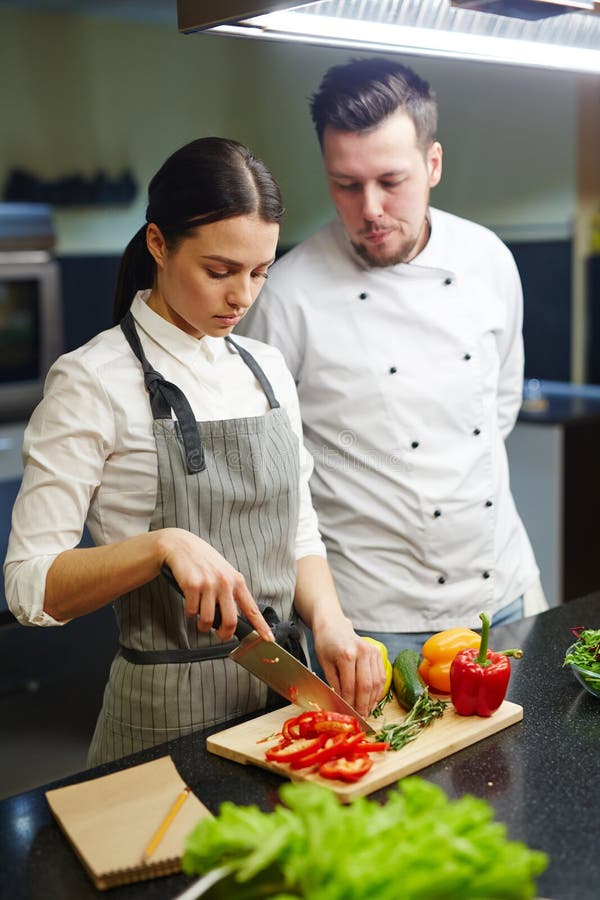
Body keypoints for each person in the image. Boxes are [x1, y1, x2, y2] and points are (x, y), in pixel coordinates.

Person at [3, 137, 384, 766]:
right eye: (219, 271)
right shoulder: (91, 380)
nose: (243, 297)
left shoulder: (265, 369)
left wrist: (332, 624)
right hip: (161, 724)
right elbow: (28, 586)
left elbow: (297, 531)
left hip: (285, 705)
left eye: (260, 272)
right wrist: (161, 546)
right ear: (158, 243)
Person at [238, 57, 547, 661]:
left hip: (503, 593)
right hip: (370, 622)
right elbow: (268, 466)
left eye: (391, 180)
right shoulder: (286, 294)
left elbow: (501, 404)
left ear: (433, 164)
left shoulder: (488, 260)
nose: (371, 209)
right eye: (346, 185)